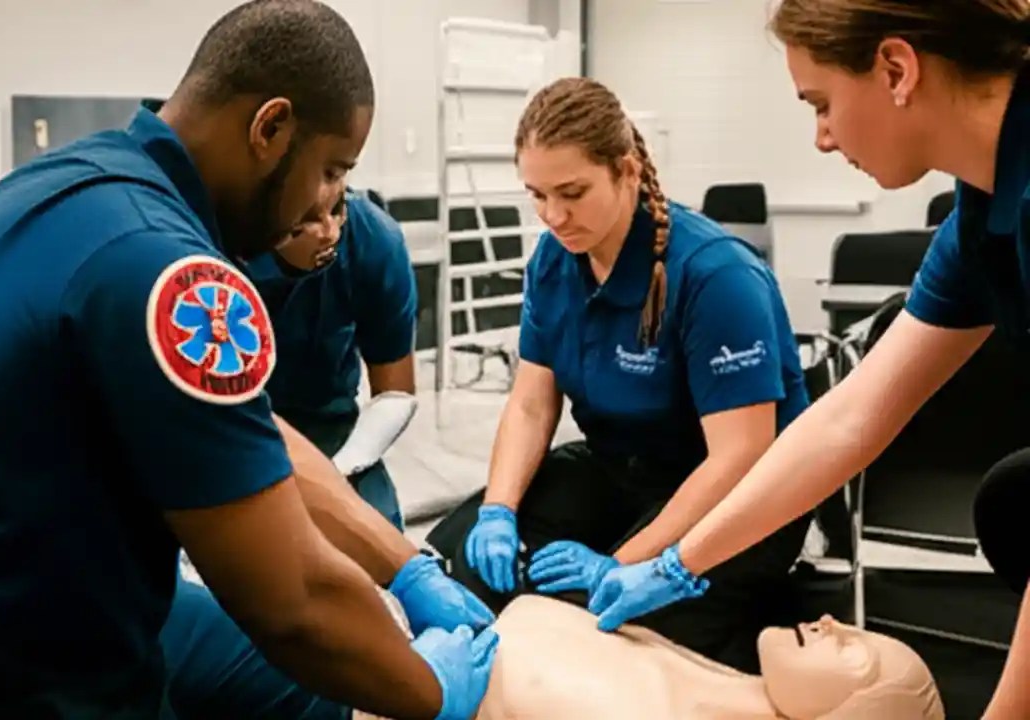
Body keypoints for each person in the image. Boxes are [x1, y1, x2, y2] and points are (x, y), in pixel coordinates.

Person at [0, 2, 498, 717]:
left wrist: (403, 567)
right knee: (312, 665)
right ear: (270, 128)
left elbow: (246, 439)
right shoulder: (174, 274)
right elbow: (294, 605)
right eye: (330, 170)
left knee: (298, 686)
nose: (325, 203)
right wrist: (433, 691)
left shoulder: (64, 182)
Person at [586, 3, 1030, 718]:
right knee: (1014, 498)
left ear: (896, 69)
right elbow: (850, 418)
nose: (821, 139)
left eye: (821, 105)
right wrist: (679, 561)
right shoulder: (981, 215)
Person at [432, 76, 812, 673]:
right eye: (536, 195)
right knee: (451, 566)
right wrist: (497, 511)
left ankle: (745, 619)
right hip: (622, 468)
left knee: (590, 625)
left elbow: (739, 456)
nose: (553, 216)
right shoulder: (556, 260)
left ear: (627, 171)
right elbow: (533, 404)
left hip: (736, 494)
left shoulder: (716, 276)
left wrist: (628, 563)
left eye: (572, 192)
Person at [356, 594, 944, 720]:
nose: (832, 622)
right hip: (402, 653)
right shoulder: (718, 678)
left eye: (854, 652)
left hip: (376, 683)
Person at [246, 183, 417, 529]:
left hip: (330, 429)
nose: (329, 232)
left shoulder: (373, 239)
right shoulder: (207, 243)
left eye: (337, 208)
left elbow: (395, 395)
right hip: (231, 429)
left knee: (378, 539)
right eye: (303, 221)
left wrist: (341, 470)